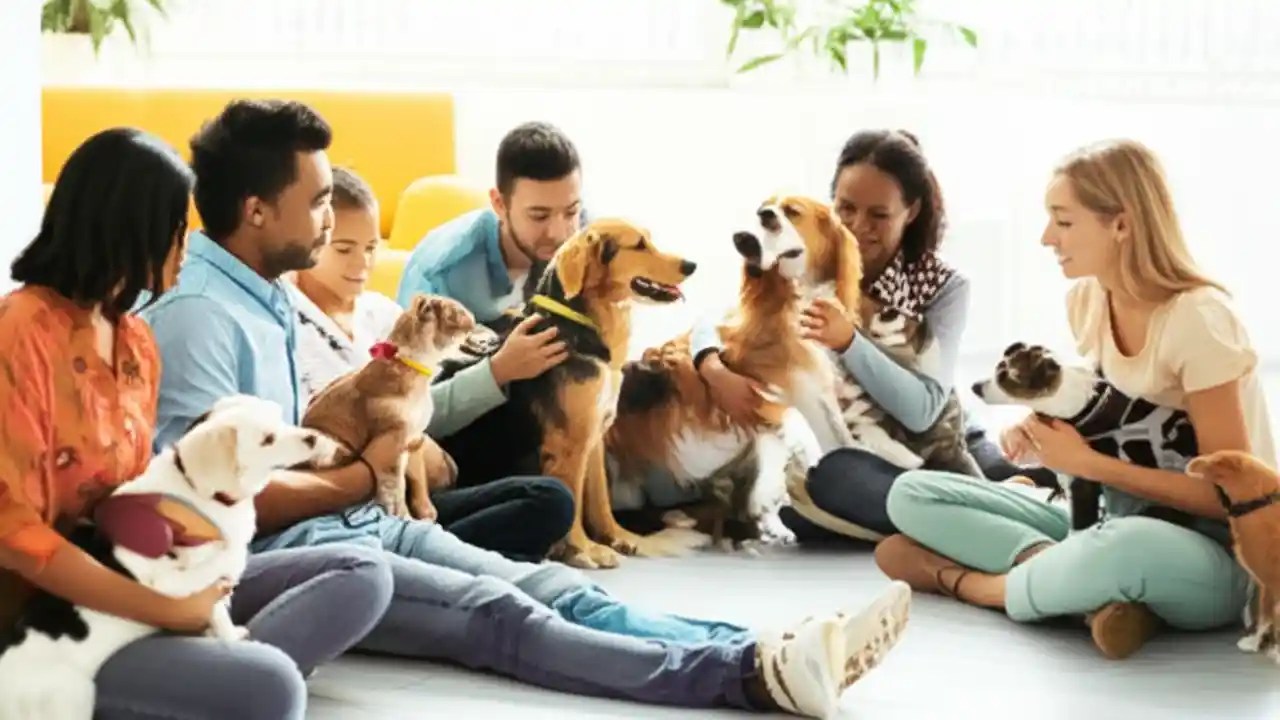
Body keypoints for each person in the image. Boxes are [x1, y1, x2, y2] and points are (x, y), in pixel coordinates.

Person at [142, 98, 914, 718]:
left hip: (363, 513)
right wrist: (363, 472)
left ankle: (768, 650)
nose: (329, 221)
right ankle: (743, 677)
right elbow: (204, 508)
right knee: (499, 612)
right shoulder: (203, 315)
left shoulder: (262, 294)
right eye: (315, 203)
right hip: (295, 551)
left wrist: (367, 462)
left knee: (551, 587)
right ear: (254, 211)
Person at [0, 127, 393, 720]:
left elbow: (129, 501)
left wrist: (201, 558)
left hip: (151, 572)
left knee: (363, 572)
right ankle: (209, 677)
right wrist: (169, 611)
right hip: (57, 625)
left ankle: (198, 681)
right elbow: (16, 538)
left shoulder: (133, 339)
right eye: (173, 229)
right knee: (274, 687)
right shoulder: (20, 333)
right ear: (124, 227)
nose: (186, 246)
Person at [874, 138, 1263, 660]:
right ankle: (1088, 591)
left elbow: (1232, 495)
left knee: (1125, 549)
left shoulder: (1198, 319)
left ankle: (970, 584)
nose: (1045, 237)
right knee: (911, 494)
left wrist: (1088, 464)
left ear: (1121, 224)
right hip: (1115, 515)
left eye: (1063, 220)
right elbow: (1113, 414)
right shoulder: (1088, 300)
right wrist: (1038, 425)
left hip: (1219, 551)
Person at [688, 129, 1054, 543]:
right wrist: (713, 368)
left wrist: (850, 342)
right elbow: (718, 316)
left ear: (911, 212)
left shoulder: (943, 286)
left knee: (1030, 473)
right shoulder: (808, 255)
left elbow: (924, 411)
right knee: (831, 477)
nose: (859, 227)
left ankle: (968, 512)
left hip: (941, 442)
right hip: (865, 454)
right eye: (846, 208)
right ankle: (976, 511)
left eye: (879, 215)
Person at [291, 165, 574, 562]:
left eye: (372, 248)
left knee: (551, 499)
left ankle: (436, 548)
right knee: (541, 505)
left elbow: (425, 404)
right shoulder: (288, 325)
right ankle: (421, 553)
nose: (362, 264)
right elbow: (322, 439)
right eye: (344, 249)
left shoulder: (380, 312)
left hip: (422, 469)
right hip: (359, 492)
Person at [395, 120, 587, 324]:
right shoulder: (439, 274)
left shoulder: (593, 241)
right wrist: (501, 358)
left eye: (571, 212)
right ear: (499, 204)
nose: (559, 234)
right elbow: (407, 354)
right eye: (539, 216)